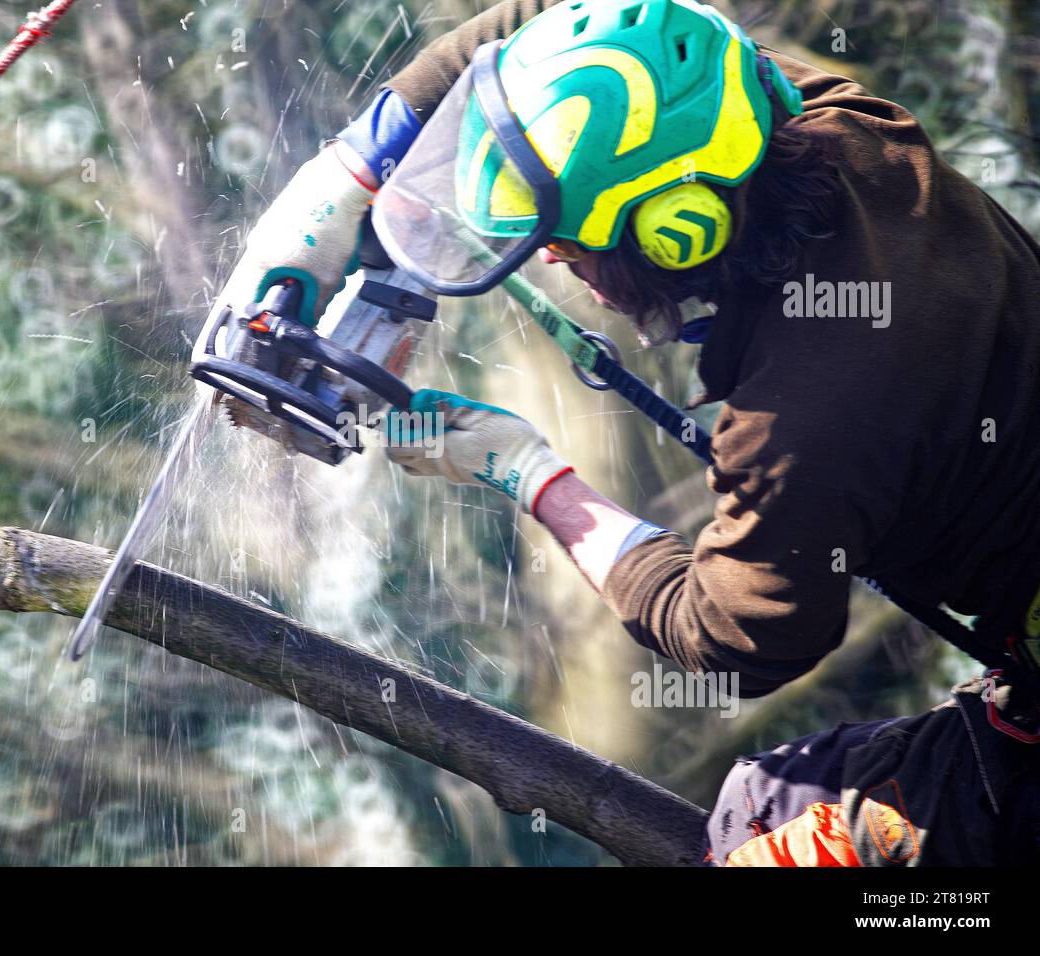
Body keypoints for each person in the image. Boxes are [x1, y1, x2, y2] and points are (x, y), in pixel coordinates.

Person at [219, 0, 1040, 865]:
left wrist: (529, 474)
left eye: (565, 248)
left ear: (675, 234)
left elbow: (740, 638)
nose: (548, 262)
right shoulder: (830, 125)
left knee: (760, 835)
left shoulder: (802, 417)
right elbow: (573, 30)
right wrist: (347, 176)